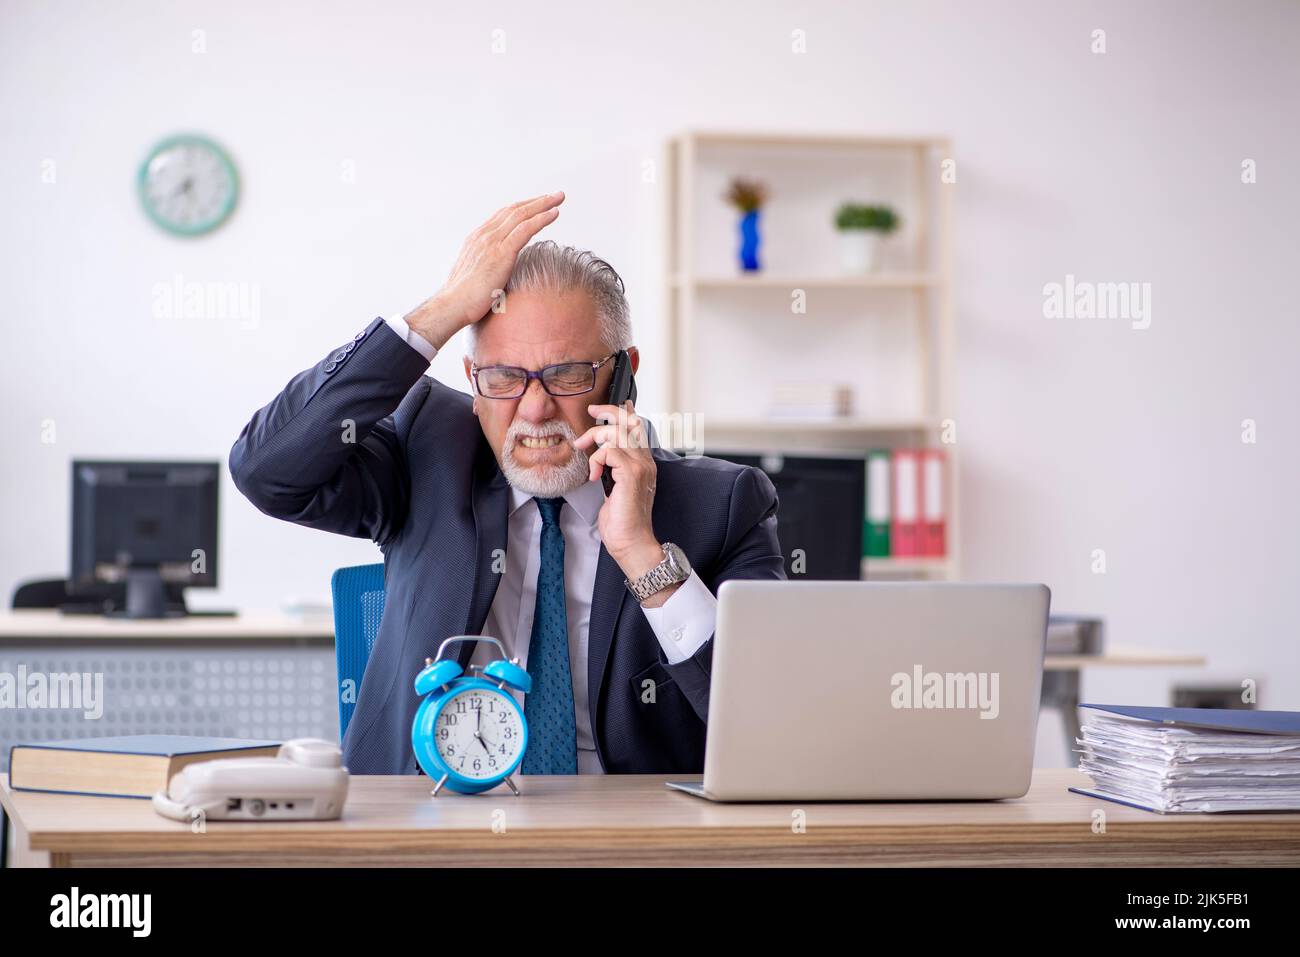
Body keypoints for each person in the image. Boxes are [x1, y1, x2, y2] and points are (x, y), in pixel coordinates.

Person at [230, 192, 784, 774]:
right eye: (503, 377)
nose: (535, 409)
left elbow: (769, 727)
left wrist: (643, 556)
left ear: (624, 375)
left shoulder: (723, 503)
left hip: (626, 834)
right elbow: (264, 470)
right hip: (429, 823)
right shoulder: (428, 453)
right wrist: (440, 312)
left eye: (568, 373)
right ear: (472, 379)